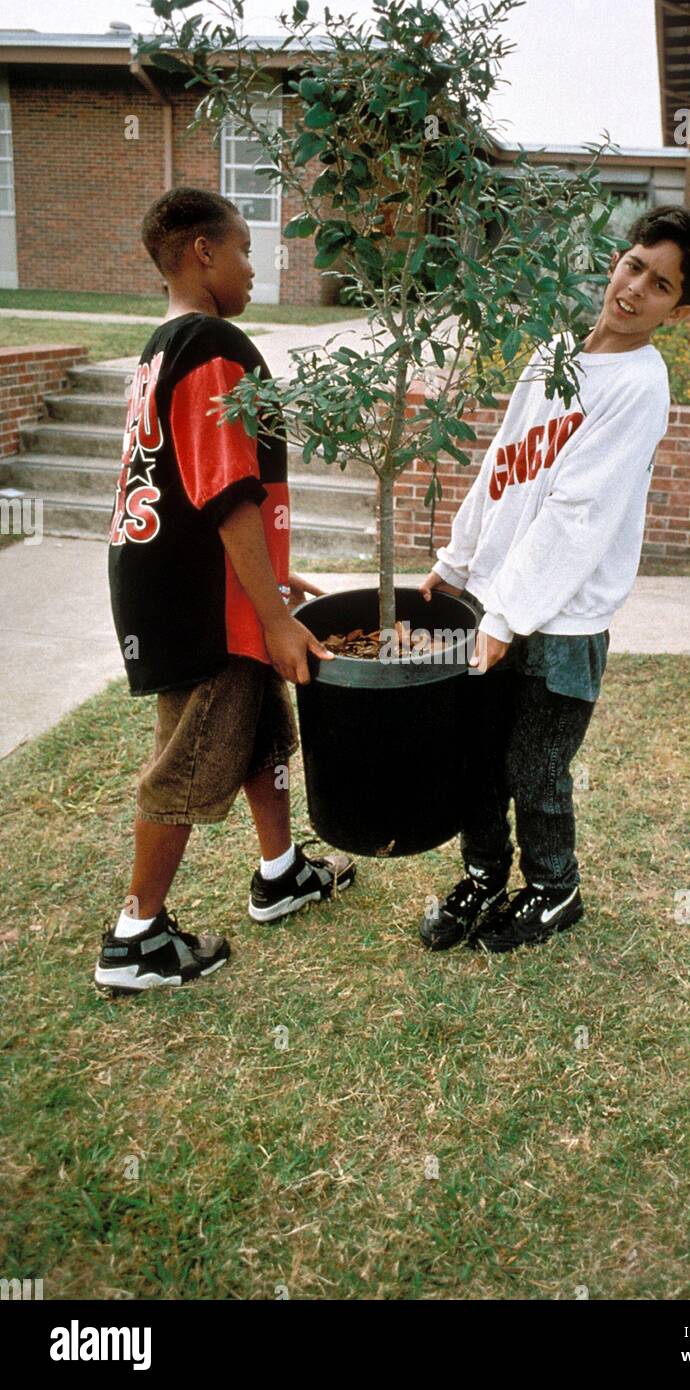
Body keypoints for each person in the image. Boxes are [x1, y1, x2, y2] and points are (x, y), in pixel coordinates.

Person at [419, 205, 690, 954]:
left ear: (678, 311)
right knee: (479, 754)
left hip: (564, 618)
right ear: (617, 259)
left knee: (536, 765)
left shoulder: (639, 386)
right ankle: (486, 875)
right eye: (632, 266)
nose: (633, 289)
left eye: (659, 286)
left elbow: (579, 516)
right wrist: (459, 562)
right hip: (496, 595)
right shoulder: (555, 354)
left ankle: (555, 890)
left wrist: (505, 619)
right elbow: (502, 459)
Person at [95, 187, 355, 995]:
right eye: (244, 250)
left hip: (175, 577)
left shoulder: (164, 344)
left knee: (260, 734)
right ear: (203, 252)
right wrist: (273, 615)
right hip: (196, 595)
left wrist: (270, 583)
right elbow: (225, 491)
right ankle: (135, 938)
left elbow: (190, 484)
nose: (253, 268)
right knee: (192, 756)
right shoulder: (213, 342)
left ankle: (280, 873)